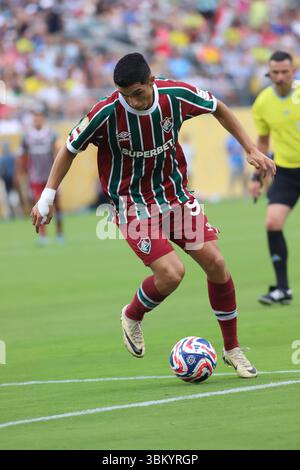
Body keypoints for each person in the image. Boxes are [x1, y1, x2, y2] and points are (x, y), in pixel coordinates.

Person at [31, 53, 275, 377]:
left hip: (173, 196)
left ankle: (232, 349)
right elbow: (70, 148)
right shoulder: (106, 113)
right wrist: (46, 197)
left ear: (151, 81)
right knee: (172, 274)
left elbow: (219, 108)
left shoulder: (175, 96)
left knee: (216, 264)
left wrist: (250, 148)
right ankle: (133, 314)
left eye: (138, 93)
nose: (133, 100)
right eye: (126, 95)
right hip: (131, 204)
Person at [250, 51, 300, 305]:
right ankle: (282, 289)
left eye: (285, 71)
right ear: (268, 73)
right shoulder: (262, 102)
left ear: (293, 70)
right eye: (275, 73)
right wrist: (256, 177)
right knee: (272, 223)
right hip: (286, 171)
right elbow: (262, 143)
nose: (280, 77)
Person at [20, 108, 64, 244]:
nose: (37, 120)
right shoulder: (27, 137)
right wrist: (23, 173)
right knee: (40, 207)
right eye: (35, 118)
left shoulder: (51, 134)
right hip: (36, 178)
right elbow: (23, 157)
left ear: (43, 119)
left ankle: (60, 234)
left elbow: (58, 153)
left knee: (58, 206)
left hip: (51, 178)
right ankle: (43, 236)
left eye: (39, 117)